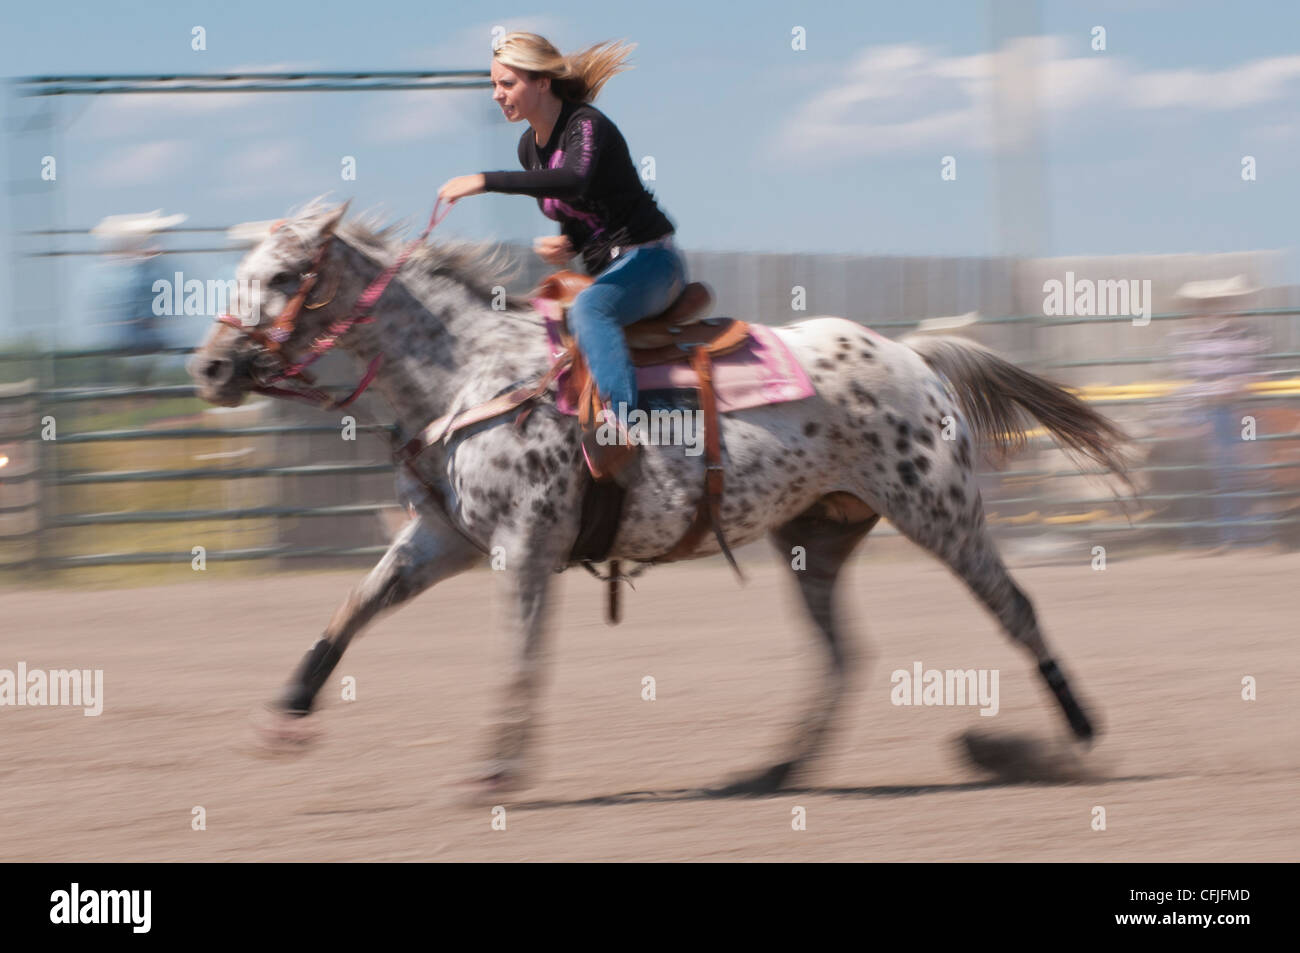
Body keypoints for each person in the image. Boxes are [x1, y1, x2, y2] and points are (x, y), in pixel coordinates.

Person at [436, 32, 686, 483]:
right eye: (494, 85)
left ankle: (622, 426)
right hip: (611, 269)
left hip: (652, 263)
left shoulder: (586, 125)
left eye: (507, 84)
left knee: (592, 308)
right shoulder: (528, 147)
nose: (497, 95)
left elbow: (573, 180)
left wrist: (484, 180)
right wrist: (567, 240)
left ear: (542, 83)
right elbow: (580, 206)